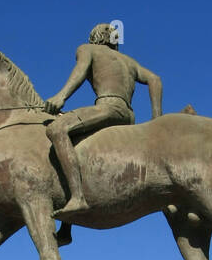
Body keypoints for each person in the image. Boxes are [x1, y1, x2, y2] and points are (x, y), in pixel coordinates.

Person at [45, 23, 163, 218]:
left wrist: (61, 96)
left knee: (57, 130)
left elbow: (80, 71)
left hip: (108, 108)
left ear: (96, 36)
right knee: (77, 145)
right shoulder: (129, 61)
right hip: (128, 115)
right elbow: (155, 79)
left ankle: (77, 197)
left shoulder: (87, 49)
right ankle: (66, 229)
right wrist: (156, 119)